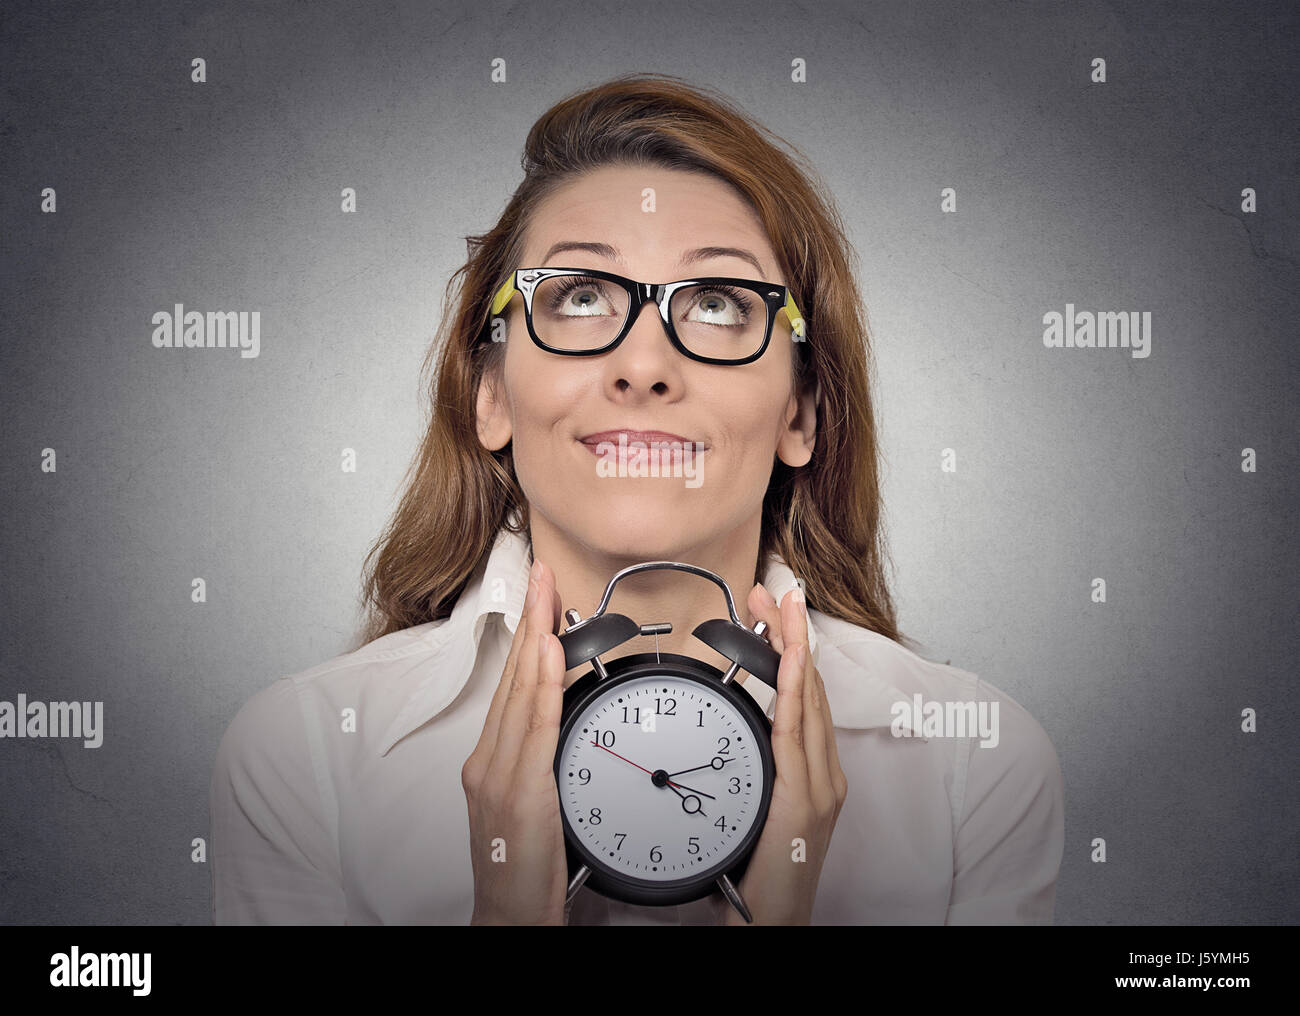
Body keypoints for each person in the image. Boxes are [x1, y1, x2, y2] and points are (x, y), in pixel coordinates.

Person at [209, 73, 1064, 925]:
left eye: (720, 304)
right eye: (582, 296)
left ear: (800, 411)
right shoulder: (302, 757)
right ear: (493, 394)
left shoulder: (973, 768)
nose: (645, 365)